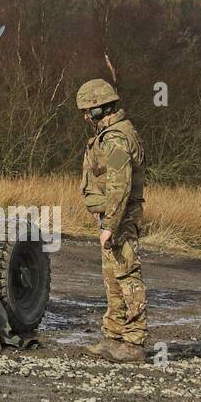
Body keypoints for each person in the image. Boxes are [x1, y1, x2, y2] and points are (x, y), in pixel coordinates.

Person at [77, 78, 148, 364]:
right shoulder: (111, 134)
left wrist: (109, 226)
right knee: (112, 277)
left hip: (120, 217)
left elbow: (120, 186)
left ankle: (134, 340)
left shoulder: (117, 137)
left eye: (87, 110)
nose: (84, 116)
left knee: (127, 276)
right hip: (112, 215)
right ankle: (113, 336)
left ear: (98, 109)